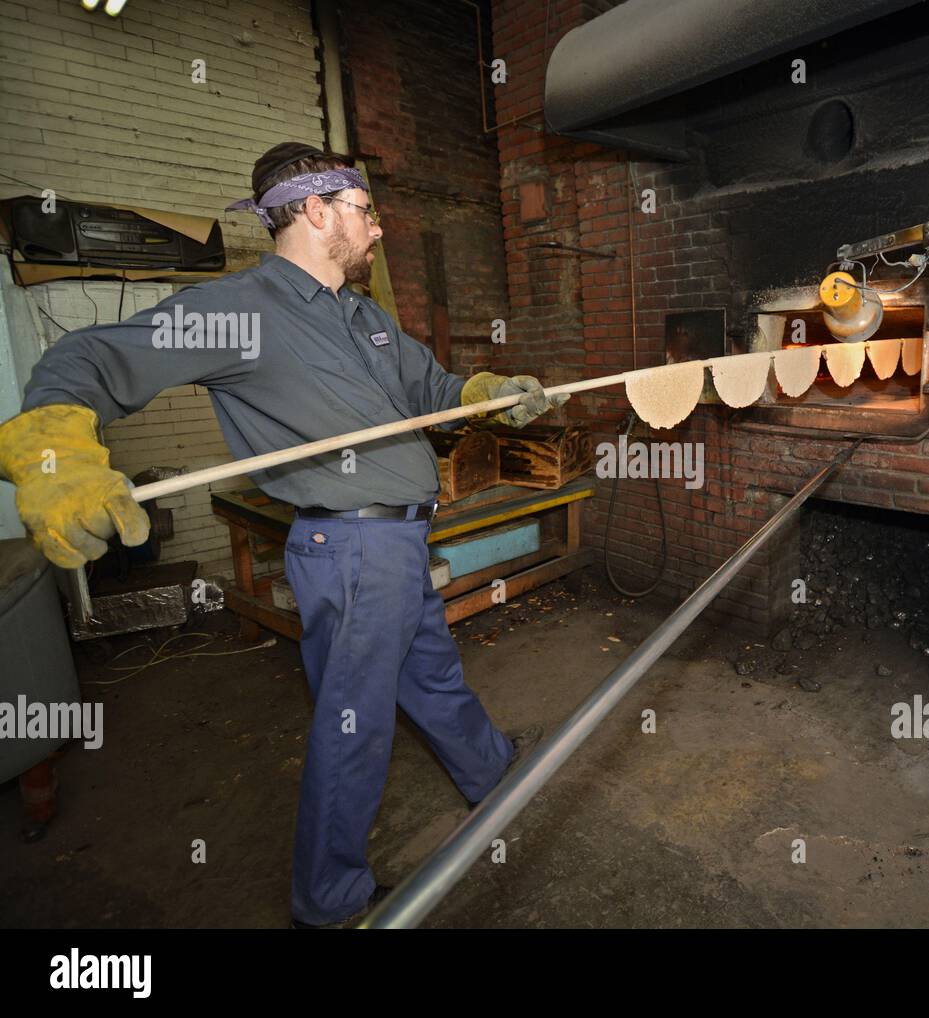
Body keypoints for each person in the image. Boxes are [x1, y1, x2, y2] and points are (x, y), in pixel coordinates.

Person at [0, 142, 565, 928]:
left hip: (401, 544)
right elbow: (89, 357)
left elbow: (430, 390)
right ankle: (329, 902)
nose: (377, 229)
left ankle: (495, 776)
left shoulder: (364, 316)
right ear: (314, 210)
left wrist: (487, 394)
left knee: (433, 681)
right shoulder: (241, 312)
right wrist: (54, 458)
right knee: (354, 725)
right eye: (365, 211)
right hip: (352, 551)